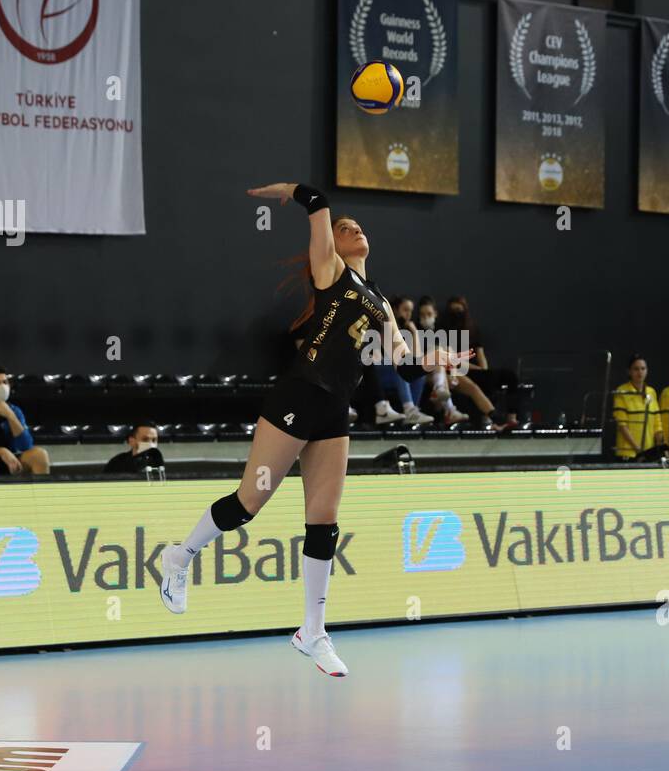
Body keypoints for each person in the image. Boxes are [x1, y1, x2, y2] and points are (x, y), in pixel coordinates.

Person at [157, 181, 469, 677]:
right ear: (332, 244)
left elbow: (401, 362)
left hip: (334, 410)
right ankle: (178, 557)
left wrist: (439, 360)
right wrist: (289, 192)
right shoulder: (332, 271)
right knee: (248, 504)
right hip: (299, 394)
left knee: (324, 521)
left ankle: (312, 631)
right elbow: (317, 201)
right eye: (345, 229)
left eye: (358, 226)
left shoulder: (381, 303)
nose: (354, 230)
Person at [441, 295, 520, 429]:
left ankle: (511, 417)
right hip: (461, 372)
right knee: (481, 383)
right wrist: (477, 370)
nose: (457, 315)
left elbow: (481, 354)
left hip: (477, 370)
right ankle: (493, 420)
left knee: (510, 376)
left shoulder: (472, 330)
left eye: (460, 310)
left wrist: (484, 371)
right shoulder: (445, 333)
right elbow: (453, 362)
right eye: (454, 311)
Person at [377, 296, 433, 424]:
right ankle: (409, 409)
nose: (408, 314)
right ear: (395, 310)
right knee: (399, 366)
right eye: (405, 310)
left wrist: (414, 333)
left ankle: (412, 411)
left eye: (411, 311)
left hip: (393, 371)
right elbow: (380, 355)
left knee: (420, 374)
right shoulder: (385, 322)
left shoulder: (409, 328)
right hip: (377, 369)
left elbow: (415, 359)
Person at [610, 354, 663, 461]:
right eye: (636, 369)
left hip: (649, 453)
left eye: (643, 369)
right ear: (629, 371)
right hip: (628, 453)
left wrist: (659, 446)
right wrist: (638, 449)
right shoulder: (622, 391)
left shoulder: (651, 392)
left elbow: (657, 423)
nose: (640, 372)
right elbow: (622, 425)